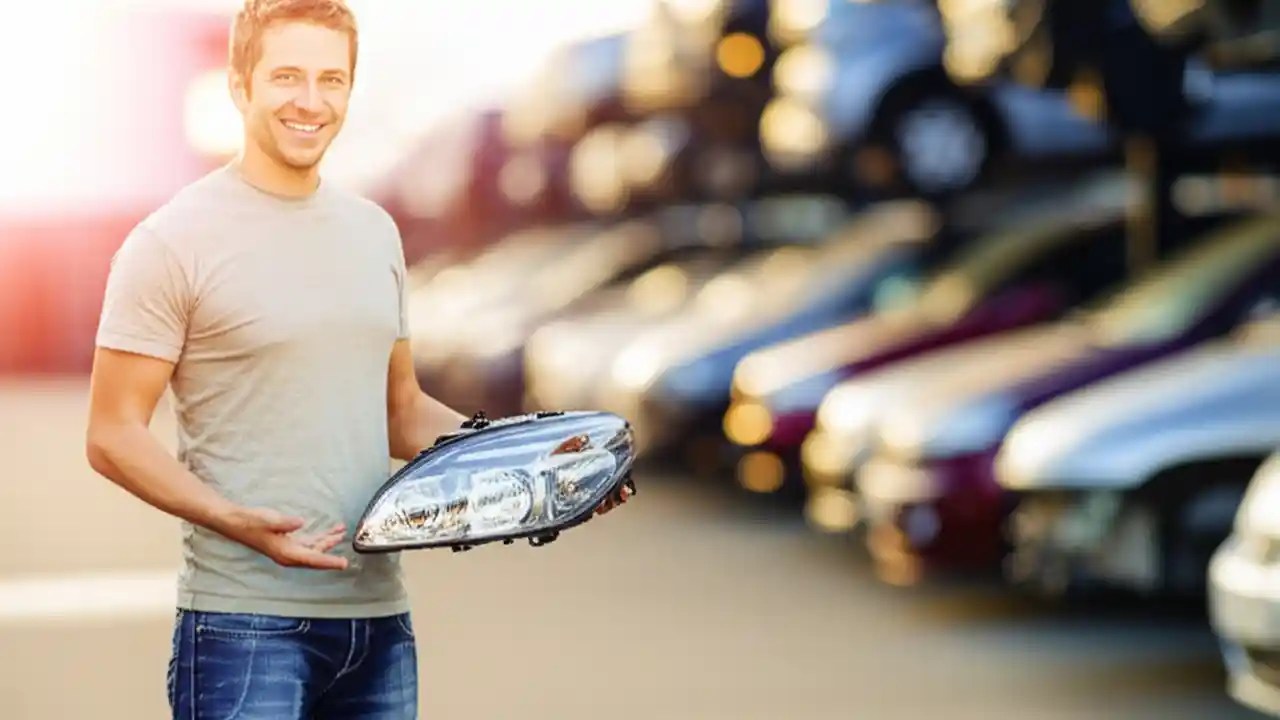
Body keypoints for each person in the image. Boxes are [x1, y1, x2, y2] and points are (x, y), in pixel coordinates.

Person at [84, 1, 629, 718]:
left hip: (377, 626)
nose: (311, 101)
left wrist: (540, 468)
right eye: (287, 76)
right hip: (243, 625)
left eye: (331, 80)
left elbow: (401, 411)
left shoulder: (373, 231)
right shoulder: (170, 241)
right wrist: (231, 518)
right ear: (240, 84)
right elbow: (112, 433)